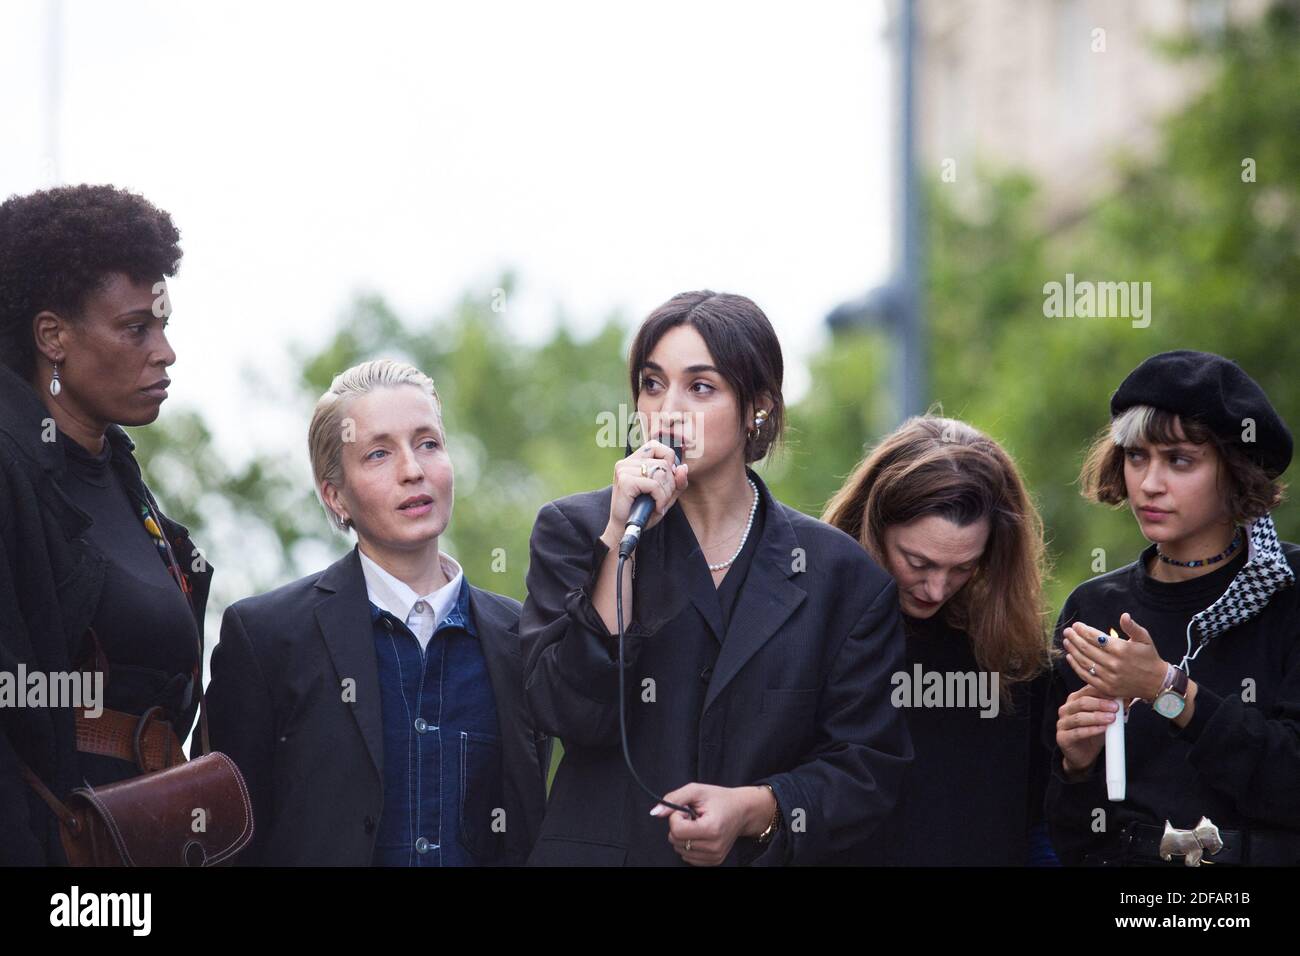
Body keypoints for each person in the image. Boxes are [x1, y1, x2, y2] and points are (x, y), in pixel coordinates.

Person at [520, 290, 912, 866]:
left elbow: (864, 771)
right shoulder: (575, 531)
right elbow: (571, 712)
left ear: (757, 407)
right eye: (653, 384)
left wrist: (755, 808)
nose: (668, 409)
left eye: (700, 387)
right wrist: (615, 542)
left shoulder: (841, 575)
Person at [204, 359, 547, 865]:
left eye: (428, 443)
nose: (413, 470)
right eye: (379, 453)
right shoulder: (265, 639)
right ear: (335, 495)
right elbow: (222, 839)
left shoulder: (521, 637)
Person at [0, 184, 211, 865]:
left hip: (148, 840)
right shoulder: (12, 474)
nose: (166, 352)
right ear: (52, 337)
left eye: (163, 324)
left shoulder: (131, 490)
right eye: (135, 329)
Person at [1046, 350, 1300, 866]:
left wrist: (1166, 690)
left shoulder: (1290, 592)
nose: (1149, 483)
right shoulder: (1093, 607)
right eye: (1136, 456)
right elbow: (1072, 839)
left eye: (1179, 460)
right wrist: (1075, 766)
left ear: (1235, 470)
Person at [823, 415, 1056, 865]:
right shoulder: (815, 632)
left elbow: (1038, 822)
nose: (935, 588)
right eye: (917, 562)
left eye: (962, 568)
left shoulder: (1011, 651)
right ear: (873, 527)